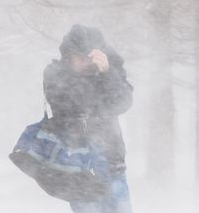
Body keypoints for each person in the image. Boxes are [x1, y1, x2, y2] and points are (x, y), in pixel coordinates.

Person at [44, 24, 134, 213]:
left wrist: (107, 73)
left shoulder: (110, 71)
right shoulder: (55, 73)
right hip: (78, 165)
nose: (86, 62)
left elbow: (122, 103)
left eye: (89, 56)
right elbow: (67, 108)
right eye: (80, 56)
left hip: (112, 160)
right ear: (68, 55)